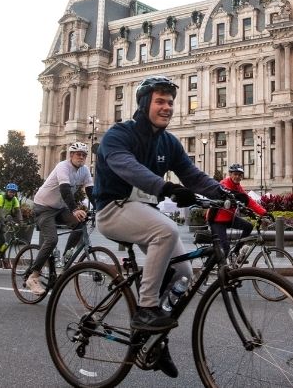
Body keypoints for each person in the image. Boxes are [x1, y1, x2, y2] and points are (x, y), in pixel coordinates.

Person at [94, 76, 232, 379]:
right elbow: (127, 166)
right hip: (112, 209)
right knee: (166, 231)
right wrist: (166, 188)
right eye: (160, 101)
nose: (167, 107)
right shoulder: (119, 135)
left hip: (144, 212)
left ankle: (156, 339)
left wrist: (224, 194)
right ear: (145, 104)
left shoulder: (169, 142)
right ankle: (146, 308)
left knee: (184, 273)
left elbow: (192, 174)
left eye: (170, 102)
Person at [25, 143, 94, 295]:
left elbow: (90, 191)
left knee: (79, 222)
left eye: (84, 154)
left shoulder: (84, 170)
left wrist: (101, 208)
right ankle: (33, 276)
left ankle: (66, 256)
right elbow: (65, 190)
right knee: (52, 240)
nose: (81, 157)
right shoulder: (63, 167)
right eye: (78, 154)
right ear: (71, 155)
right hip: (43, 207)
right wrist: (75, 209)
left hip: (59, 208)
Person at [210, 163, 267, 257]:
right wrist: (240, 199)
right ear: (230, 174)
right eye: (235, 174)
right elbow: (228, 192)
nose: (237, 177)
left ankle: (236, 250)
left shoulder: (238, 187)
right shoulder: (224, 183)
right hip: (216, 220)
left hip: (229, 218)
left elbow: (249, 201)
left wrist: (264, 212)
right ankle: (209, 267)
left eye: (239, 175)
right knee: (225, 249)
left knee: (248, 226)